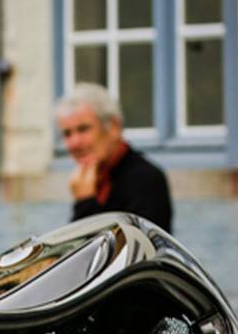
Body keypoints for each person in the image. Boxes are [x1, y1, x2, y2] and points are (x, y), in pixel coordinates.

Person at [55, 82, 173, 232]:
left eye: (83, 129)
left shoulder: (145, 180)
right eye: (67, 134)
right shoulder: (95, 176)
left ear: (114, 127)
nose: (74, 143)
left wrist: (85, 202)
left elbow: (129, 244)